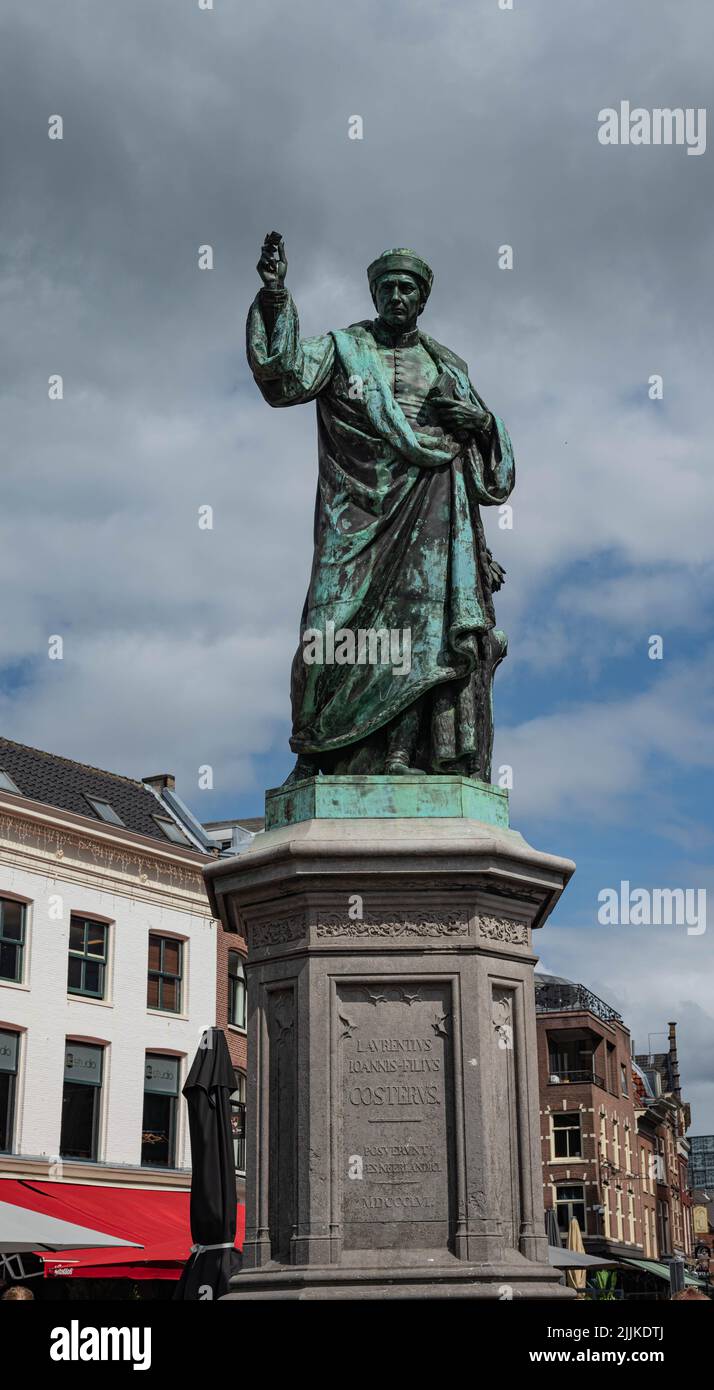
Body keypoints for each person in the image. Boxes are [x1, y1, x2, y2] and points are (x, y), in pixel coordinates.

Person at [247, 237, 514, 784]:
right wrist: (275, 298)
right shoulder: (345, 348)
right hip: (354, 514)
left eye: (407, 289)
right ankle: (315, 750)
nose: (397, 296)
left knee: (420, 636)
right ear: (374, 293)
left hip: (432, 509)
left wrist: (480, 425)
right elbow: (285, 377)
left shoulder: (449, 365)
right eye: (388, 287)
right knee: (328, 629)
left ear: (422, 300)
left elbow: (488, 468)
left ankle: (402, 756)